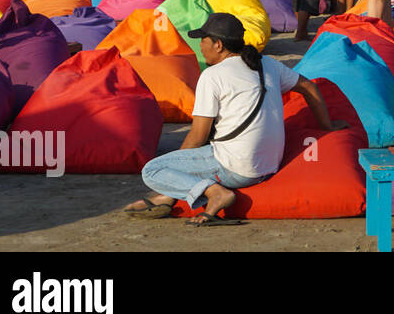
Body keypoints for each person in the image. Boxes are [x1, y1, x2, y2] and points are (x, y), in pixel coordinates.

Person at [122, 13, 347, 225]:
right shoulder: (267, 63)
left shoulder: (212, 76)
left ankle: (214, 193)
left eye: (203, 40)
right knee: (189, 159)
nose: (200, 46)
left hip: (237, 168)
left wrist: (176, 171)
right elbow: (309, 87)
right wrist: (326, 126)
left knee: (152, 171)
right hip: (268, 165)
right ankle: (169, 197)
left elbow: (198, 137)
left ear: (218, 45)